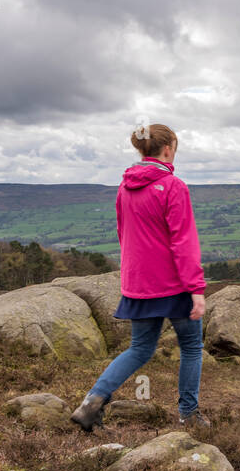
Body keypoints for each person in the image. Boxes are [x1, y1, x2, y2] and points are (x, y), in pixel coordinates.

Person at [71, 124, 209, 430]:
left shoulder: (125, 187)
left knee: (140, 349)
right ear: (168, 149)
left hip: (139, 284)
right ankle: (188, 414)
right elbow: (183, 241)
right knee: (190, 346)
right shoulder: (174, 186)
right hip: (174, 285)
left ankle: (91, 402)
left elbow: (124, 235)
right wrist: (196, 289)